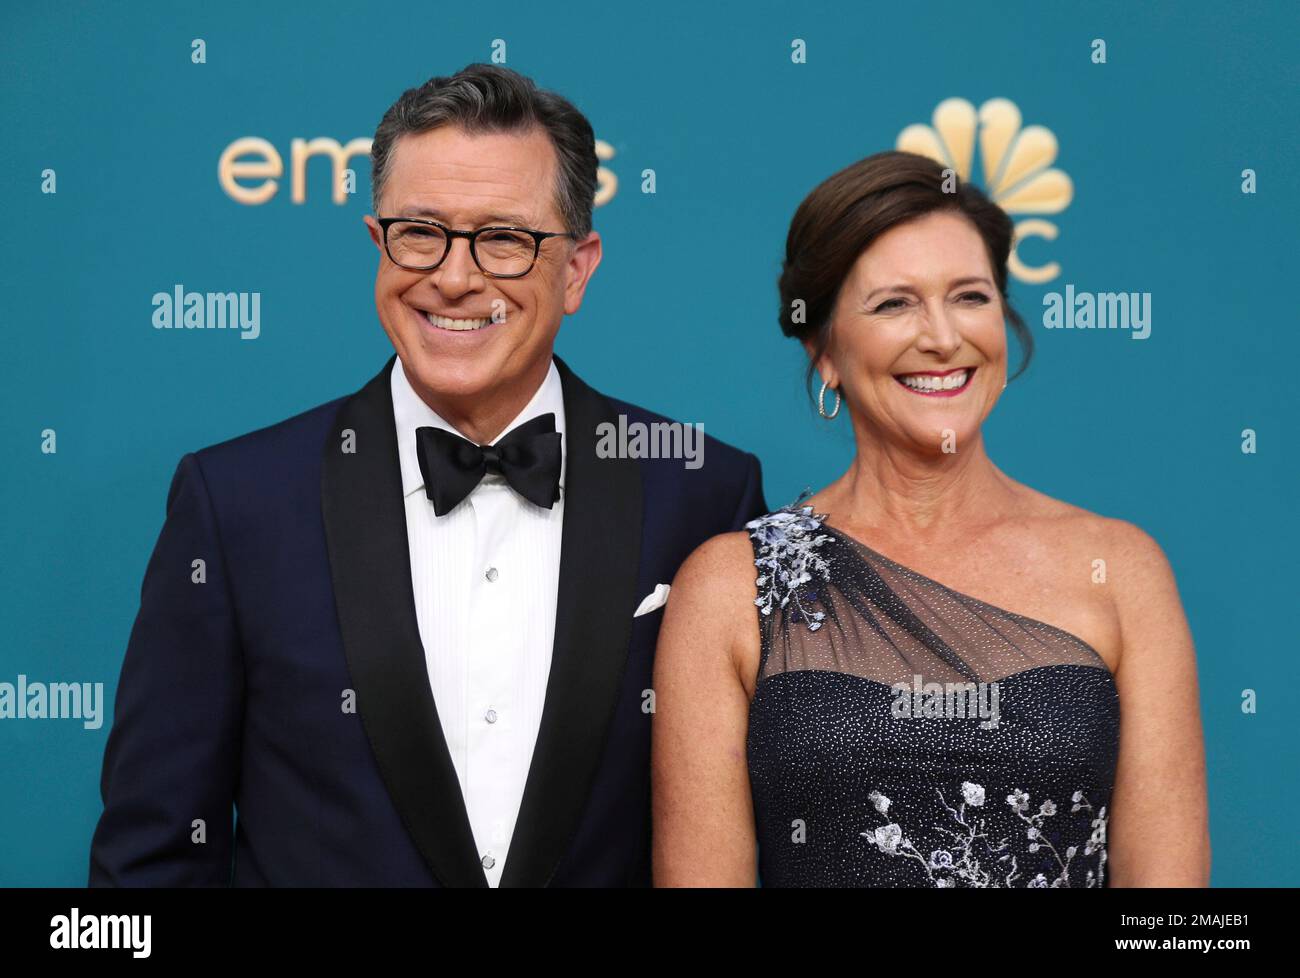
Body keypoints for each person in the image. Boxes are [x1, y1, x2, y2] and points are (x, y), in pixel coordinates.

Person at [89, 63, 765, 887]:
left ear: (578, 269)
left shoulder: (701, 492)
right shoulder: (235, 506)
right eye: (421, 232)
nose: (453, 275)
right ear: (378, 243)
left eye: (505, 239)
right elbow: (149, 864)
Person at [651, 150, 1210, 887]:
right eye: (894, 304)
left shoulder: (1123, 571)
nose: (943, 337)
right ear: (823, 351)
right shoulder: (731, 585)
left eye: (971, 297)